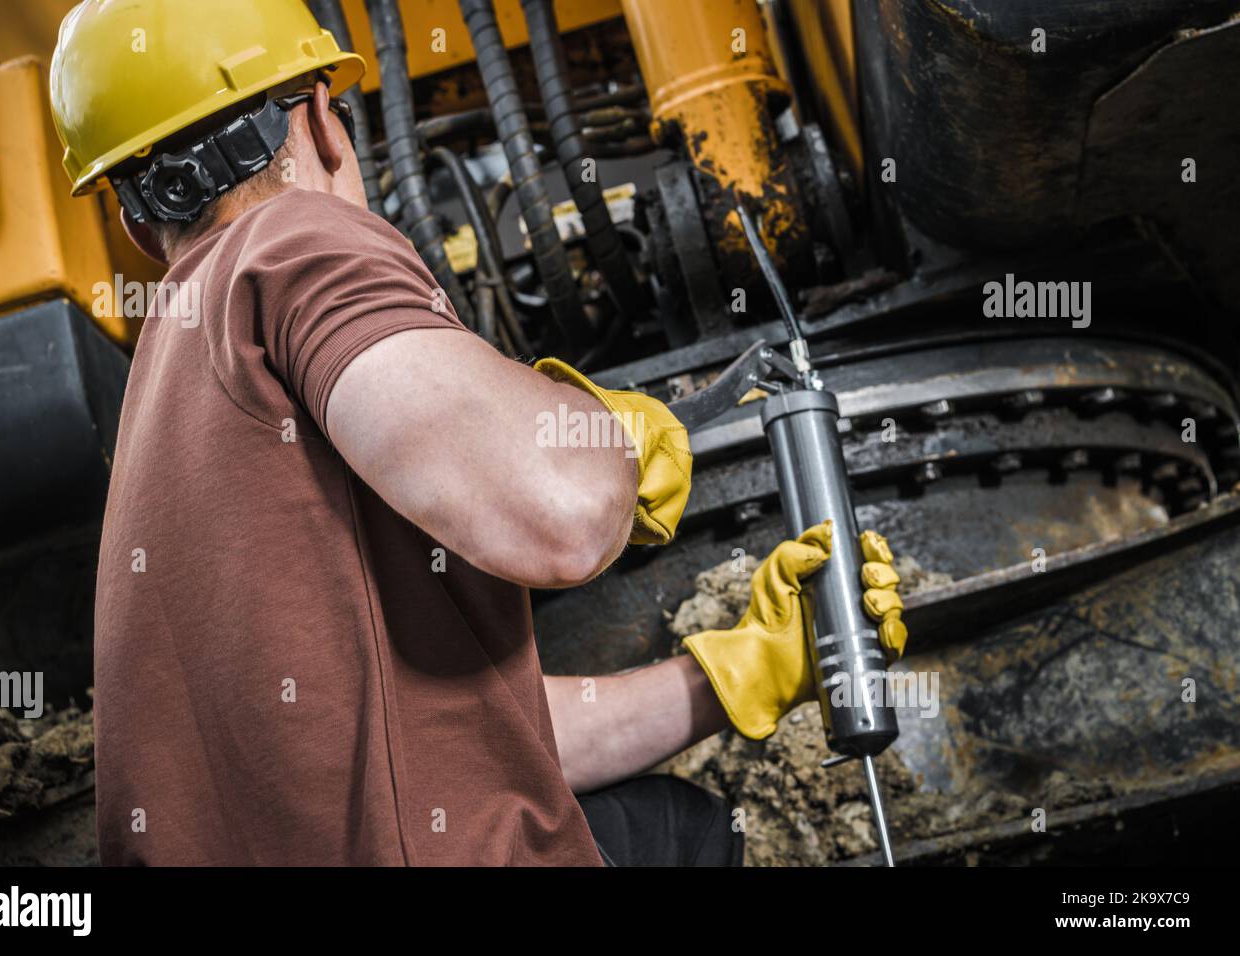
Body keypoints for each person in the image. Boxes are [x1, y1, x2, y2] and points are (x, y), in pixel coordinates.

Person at [50, 0, 907, 866]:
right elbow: (564, 511)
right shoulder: (288, 238)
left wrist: (731, 676)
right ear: (321, 119)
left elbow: (466, 755)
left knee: (668, 831)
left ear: (132, 222)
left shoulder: (163, 404)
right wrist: (604, 437)